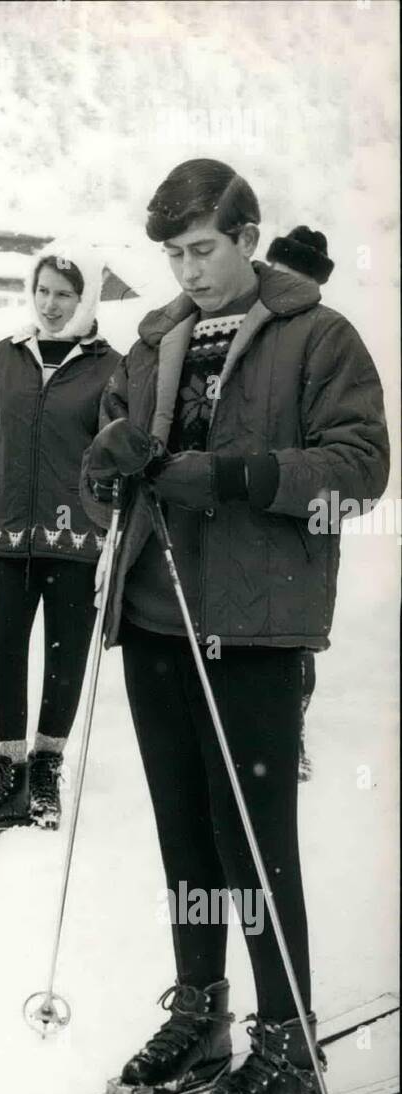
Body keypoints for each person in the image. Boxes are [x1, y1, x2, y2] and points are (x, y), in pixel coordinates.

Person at [81, 160, 388, 1094]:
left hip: (254, 622)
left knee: (252, 844)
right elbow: (112, 460)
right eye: (173, 253)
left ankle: (287, 1042)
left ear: (248, 236)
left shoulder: (318, 336)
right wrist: (113, 459)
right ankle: (201, 1013)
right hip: (153, 612)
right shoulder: (157, 338)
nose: (190, 270)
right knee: (185, 836)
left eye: (204, 248)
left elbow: (361, 469)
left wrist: (238, 475)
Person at [0, 241, 119, 830]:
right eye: (43, 291)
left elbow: (120, 462)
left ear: (87, 299)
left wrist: (116, 538)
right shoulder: (1, 360)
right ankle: (7, 773)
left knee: (65, 656)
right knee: (5, 653)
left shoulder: (113, 368)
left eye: (65, 294)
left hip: (79, 544)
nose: (51, 304)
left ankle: (46, 769)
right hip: (6, 541)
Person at [265, 226, 336, 784]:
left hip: (303, 513)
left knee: (294, 636)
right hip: (248, 505)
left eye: (301, 279)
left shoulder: (324, 343)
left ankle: (293, 733)